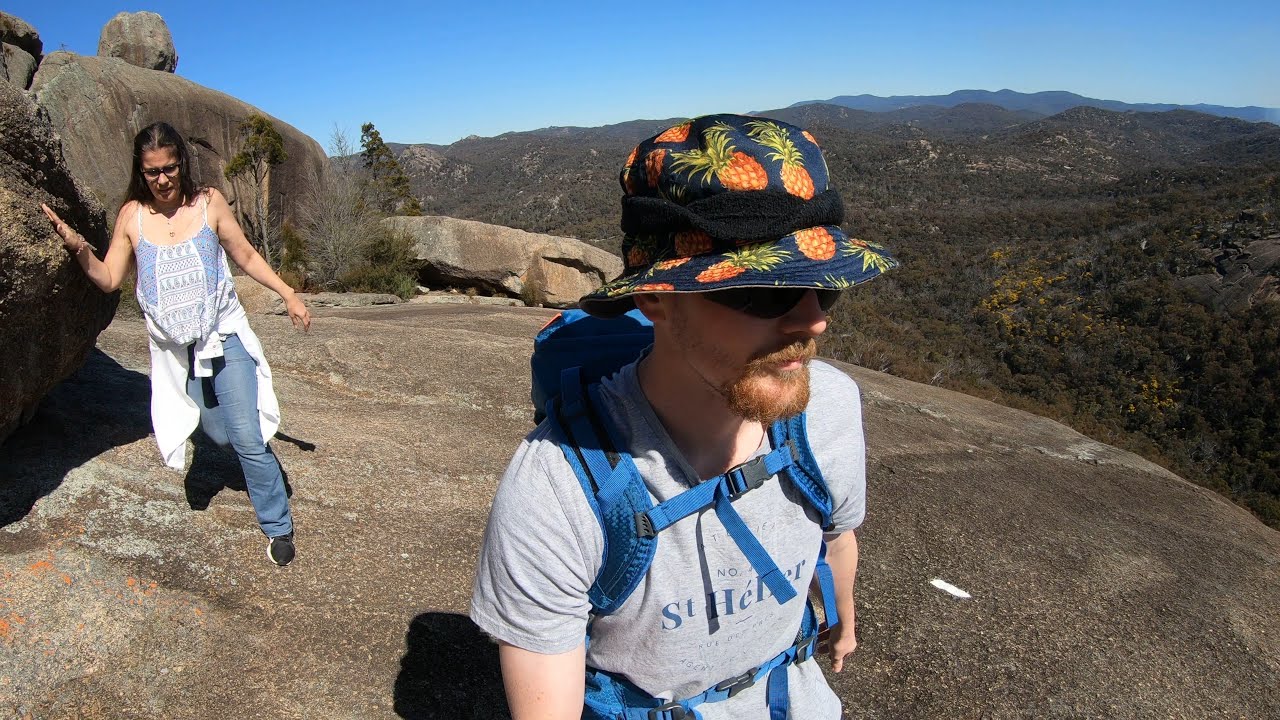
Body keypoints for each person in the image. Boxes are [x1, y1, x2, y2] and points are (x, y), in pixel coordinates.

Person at [471, 114, 898, 718]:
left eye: (824, 287)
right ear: (655, 298)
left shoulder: (828, 404)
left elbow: (837, 534)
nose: (814, 321)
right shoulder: (555, 490)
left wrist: (842, 620)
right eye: (767, 291)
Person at [41, 121, 310, 567]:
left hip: (223, 336)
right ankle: (225, 430)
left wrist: (288, 293)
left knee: (245, 436)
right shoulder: (132, 216)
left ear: (181, 163)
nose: (162, 179)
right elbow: (109, 278)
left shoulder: (208, 204)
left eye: (169, 168)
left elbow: (244, 254)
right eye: (152, 172)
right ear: (140, 172)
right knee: (217, 432)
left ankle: (277, 525)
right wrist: (75, 245)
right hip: (175, 353)